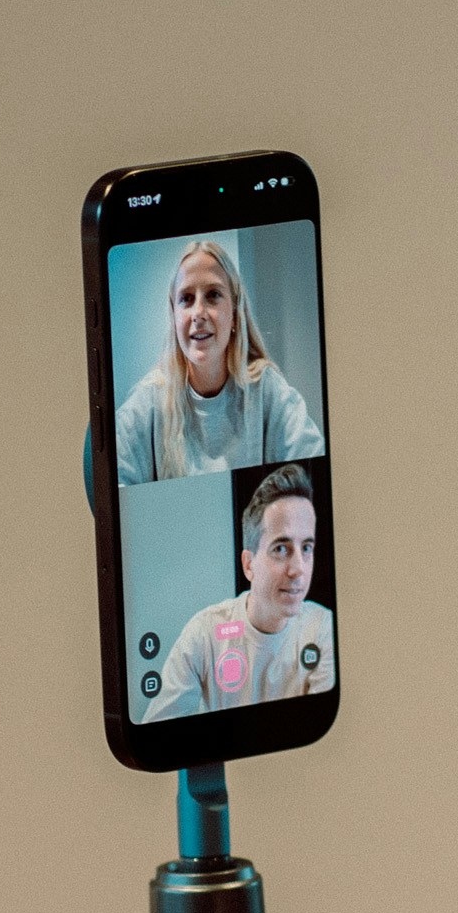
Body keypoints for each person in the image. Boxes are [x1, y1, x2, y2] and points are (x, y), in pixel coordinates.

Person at [113, 232, 322, 484]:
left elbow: (312, 475)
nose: (198, 313)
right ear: (174, 316)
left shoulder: (267, 391)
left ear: (235, 313)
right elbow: (119, 498)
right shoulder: (146, 404)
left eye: (212, 295)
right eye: (187, 299)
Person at [143, 465, 333, 719]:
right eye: (281, 548)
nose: (298, 569)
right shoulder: (205, 632)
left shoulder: (323, 629)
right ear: (248, 564)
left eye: (306, 548)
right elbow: (158, 735)